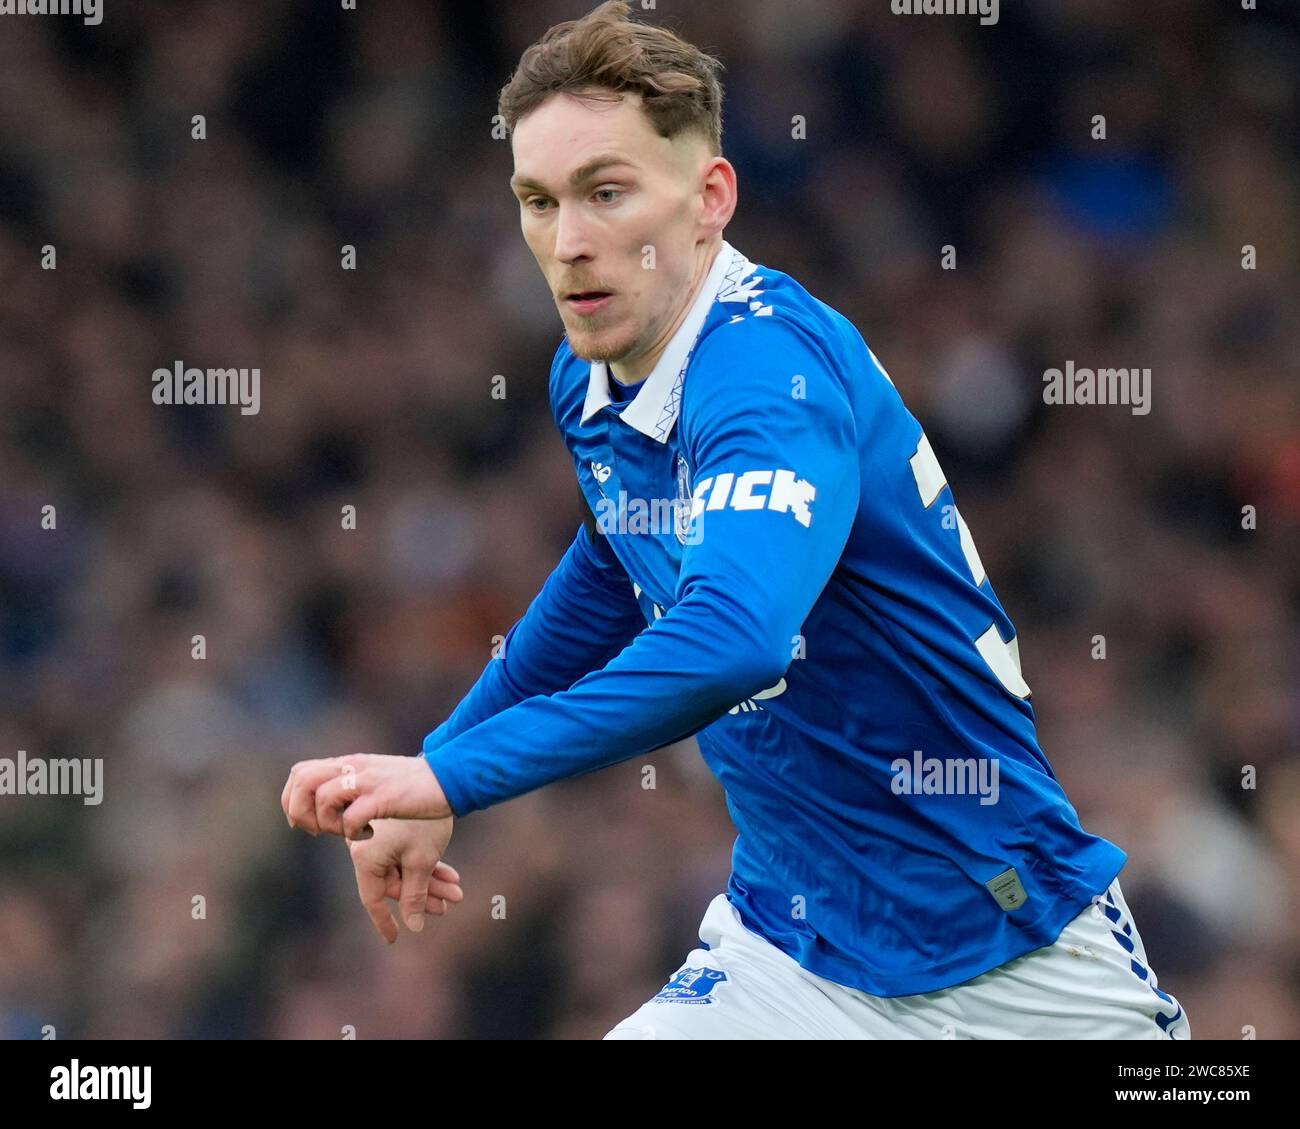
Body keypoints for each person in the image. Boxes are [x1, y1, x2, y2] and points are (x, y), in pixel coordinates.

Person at [281, 0, 1189, 1040]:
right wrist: (440, 766)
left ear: (709, 197)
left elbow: (734, 641)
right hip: (789, 950)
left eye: (606, 192)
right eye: (538, 202)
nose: (568, 243)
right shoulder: (590, 381)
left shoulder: (768, 376)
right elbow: (617, 562)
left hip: (1005, 946)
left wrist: (453, 774)